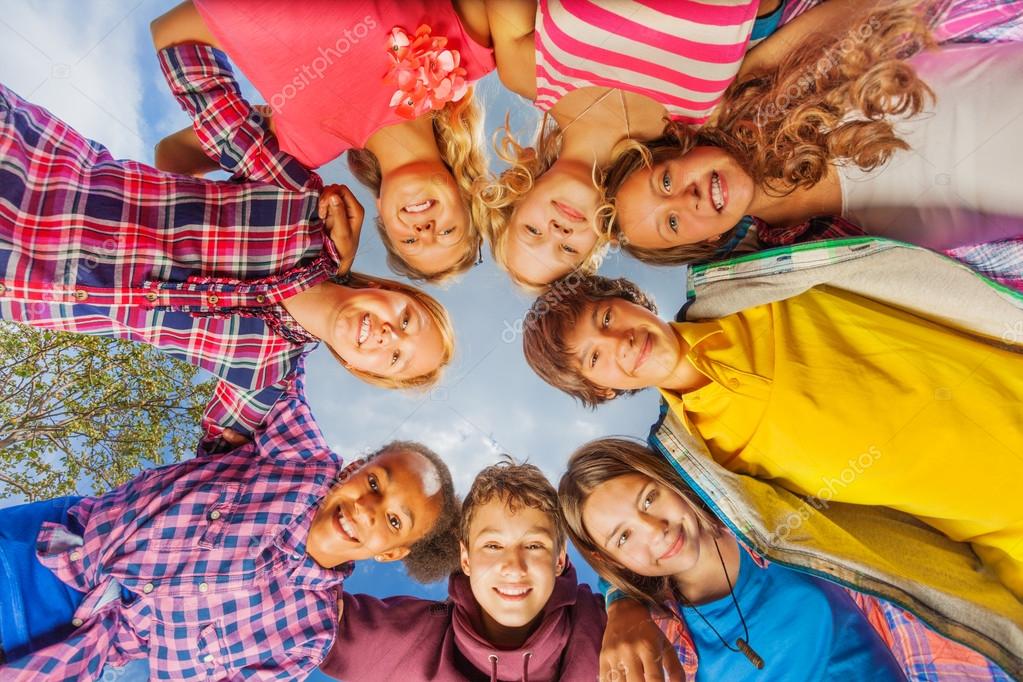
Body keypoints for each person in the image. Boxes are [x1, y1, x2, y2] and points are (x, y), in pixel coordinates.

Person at [0, 40, 455, 441]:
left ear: (363, 371)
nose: (388, 337)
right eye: (408, 321)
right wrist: (284, 122)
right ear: (391, 292)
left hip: (17, 287)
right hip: (28, 163)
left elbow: (219, 474)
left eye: (395, 358)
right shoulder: (302, 205)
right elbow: (209, 95)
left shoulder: (263, 378)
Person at [521, 271, 1023, 600]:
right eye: (594, 358)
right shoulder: (702, 460)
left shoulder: (753, 282)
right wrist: (619, 607)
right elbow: (632, 533)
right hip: (1008, 538)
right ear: (603, 390)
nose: (617, 341)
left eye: (605, 317)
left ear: (631, 299)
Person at [0, 360, 461, 681]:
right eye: (375, 483)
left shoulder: (308, 634)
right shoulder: (302, 463)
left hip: (73, 655)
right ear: (355, 467)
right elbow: (273, 365)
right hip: (48, 556)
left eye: (394, 522)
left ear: (391, 552)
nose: (367, 508)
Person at [559, 438, 1011, 680]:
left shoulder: (773, 525)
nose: (655, 530)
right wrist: (620, 600)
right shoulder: (662, 645)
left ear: (669, 479)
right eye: (624, 537)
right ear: (611, 561)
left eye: (650, 499)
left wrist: (619, 601)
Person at [601, 14, 1023, 268]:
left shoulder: (760, 91)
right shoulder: (799, 253)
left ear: (683, 146)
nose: (686, 198)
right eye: (672, 223)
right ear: (706, 242)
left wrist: (740, 85)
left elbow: (872, 10)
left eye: (667, 181)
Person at [150, 0, 491, 282]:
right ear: (466, 192)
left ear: (381, 216)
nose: (426, 229)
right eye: (448, 232)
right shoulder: (470, 54)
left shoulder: (297, 149)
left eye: (411, 240)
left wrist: (319, 237)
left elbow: (173, 157)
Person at [320, 459, 607, 681]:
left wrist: (623, 602)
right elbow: (293, 606)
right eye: (493, 546)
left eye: (533, 546)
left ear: (559, 559)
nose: (513, 567)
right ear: (466, 560)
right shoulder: (402, 643)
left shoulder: (610, 631)